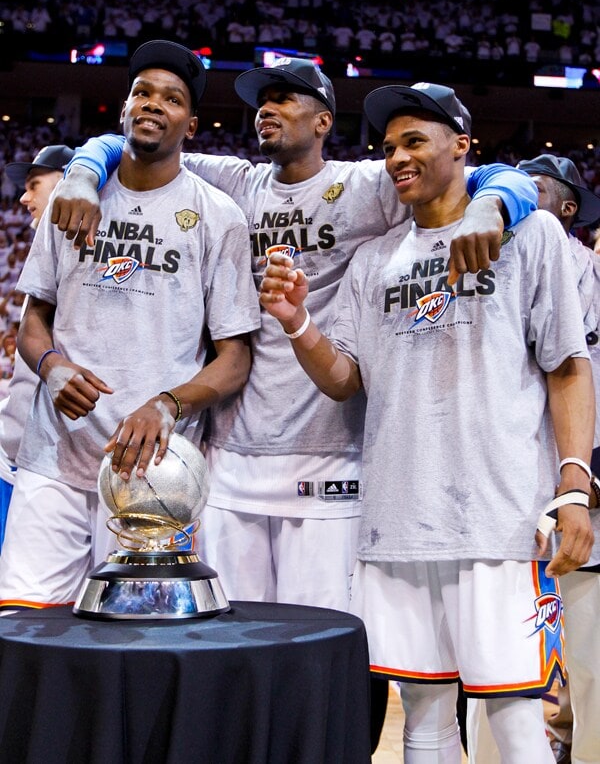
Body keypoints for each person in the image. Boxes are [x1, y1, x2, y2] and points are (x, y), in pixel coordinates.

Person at [51, 59, 537, 750]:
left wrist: (495, 203)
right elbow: (128, 144)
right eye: (260, 101)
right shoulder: (237, 183)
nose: (265, 110)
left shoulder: (364, 185)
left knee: (332, 656)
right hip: (234, 459)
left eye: (284, 99)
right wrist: (78, 170)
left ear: (324, 121)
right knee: (231, 646)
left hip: (331, 455)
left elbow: (484, 174)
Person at [259, 82, 595, 762]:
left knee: (513, 712)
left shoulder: (530, 235)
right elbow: (346, 379)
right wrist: (297, 324)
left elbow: (567, 367)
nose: (397, 158)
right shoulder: (375, 259)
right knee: (423, 711)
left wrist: (574, 488)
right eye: (388, 148)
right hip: (396, 523)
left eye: (415, 141)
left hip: (497, 522)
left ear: (462, 146)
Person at [0, 40, 260, 612]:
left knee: (137, 641)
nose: (152, 104)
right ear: (123, 111)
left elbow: (234, 357)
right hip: (56, 454)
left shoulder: (218, 216)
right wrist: (50, 366)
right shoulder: (75, 201)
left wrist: (168, 402)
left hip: (158, 470)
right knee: (23, 625)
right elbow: (33, 322)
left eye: (171, 98)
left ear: (191, 125)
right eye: (142, 92)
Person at [467, 154, 600, 764]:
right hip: (507, 499)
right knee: (496, 668)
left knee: (592, 667)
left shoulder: (584, 268)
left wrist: (589, 473)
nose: (514, 191)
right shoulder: (484, 261)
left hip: (583, 500)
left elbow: (581, 376)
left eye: (534, 187)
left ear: (567, 207)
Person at [0, 145, 76, 550]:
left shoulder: (83, 253)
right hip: (17, 455)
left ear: (69, 179)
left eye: (34, 186)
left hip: (48, 466)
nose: (23, 198)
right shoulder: (45, 251)